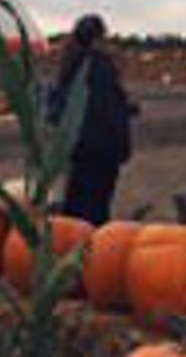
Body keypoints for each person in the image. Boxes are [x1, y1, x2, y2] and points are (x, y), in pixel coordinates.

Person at [48, 14, 135, 226]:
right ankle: (91, 252)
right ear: (98, 38)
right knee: (96, 209)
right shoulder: (100, 67)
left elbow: (57, 106)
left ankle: (73, 247)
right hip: (102, 151)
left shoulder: (71, 64)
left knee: (77, 205)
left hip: (78, 149)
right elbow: (108, 109)